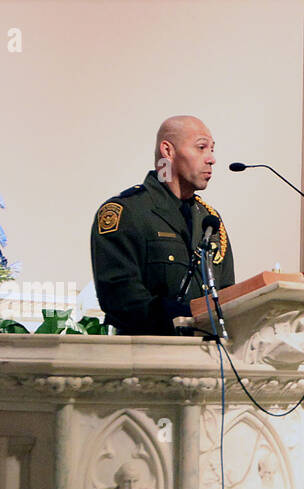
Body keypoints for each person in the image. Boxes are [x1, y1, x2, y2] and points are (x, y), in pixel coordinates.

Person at [90, 115, 236, 334]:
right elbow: (120, 297)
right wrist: (185, 316)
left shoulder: (210, 221)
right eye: (201, 147)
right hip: (150, 356)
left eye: (212, 149)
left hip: (209, 357)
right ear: (168, 151)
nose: (211, 159)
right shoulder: (128, 212)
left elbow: (226, 294)